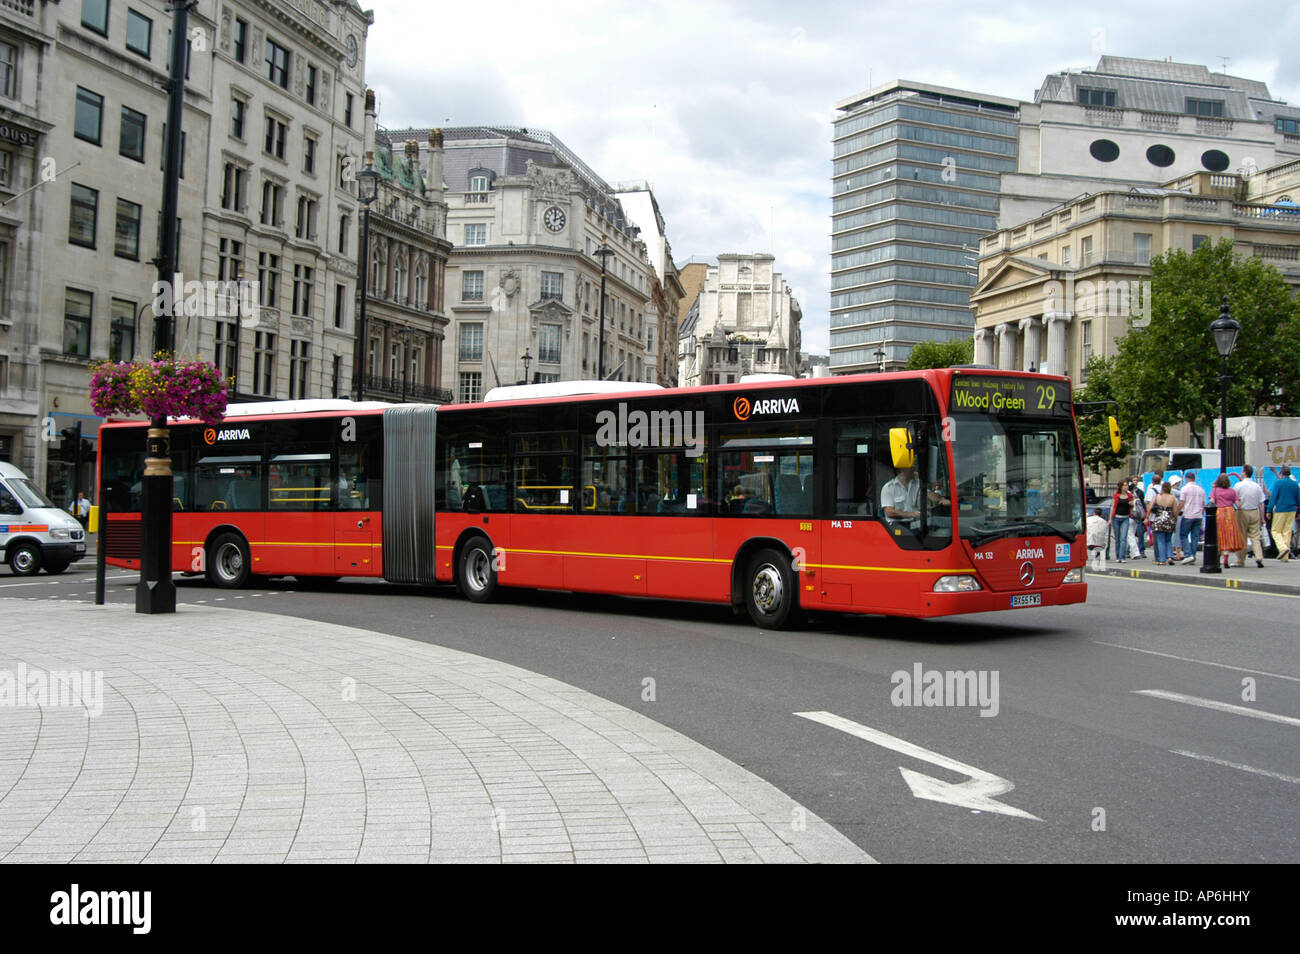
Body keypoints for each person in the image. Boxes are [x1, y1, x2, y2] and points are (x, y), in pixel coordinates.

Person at [1234, 465, 1267, 567]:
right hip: (1254, 511)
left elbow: (1235, 500)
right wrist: (1263, 518)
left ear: (1244, 472)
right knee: (1255, 536)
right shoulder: (1257, 486)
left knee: (1241, 537)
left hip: (1242, 512)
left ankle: (1241, 560)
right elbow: (1261, 504)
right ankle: (1259, 556)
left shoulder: (1238, 485)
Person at [1211, 474, 1246, 567]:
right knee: (1229, 535)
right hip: (1230, 513)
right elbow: (1238, 505)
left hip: (1220, 512)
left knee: (1220, 534)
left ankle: (1219, 557)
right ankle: (1226, 556)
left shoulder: (1215, 490)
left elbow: (1212, 502)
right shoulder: (1232, 491)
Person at [1267, 465, 1298, 563]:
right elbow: (1298, 499)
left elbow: (1274, 498)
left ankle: (1283, 548)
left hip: (1281, 509)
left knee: (1275, 531)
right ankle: (1285, 556)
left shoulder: (1278, 483)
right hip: (1292, 509)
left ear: (1282, 473)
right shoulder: (1295, 484)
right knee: (1287, 531)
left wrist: (1269, 510)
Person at [1177, 470, 1206, 565]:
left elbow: (1181, 503)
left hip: (1188, 515)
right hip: (1198, 515)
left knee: (1183, 535)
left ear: (1186, 479)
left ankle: (1188, 554)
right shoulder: (1201, 489)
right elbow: (1204, 504)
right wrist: (1202, 514)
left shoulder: (1184, 489)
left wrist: (1176, 512)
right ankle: (1193, 555)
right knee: (1195, 537)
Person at [1149, 481, 1179, 565]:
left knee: (1160, 540)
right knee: (1168, 540)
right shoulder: (1172, 498)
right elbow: (1175, 511)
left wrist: (1147, 517)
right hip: (1170, 520)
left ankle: (1162, 559)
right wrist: (1175, 519)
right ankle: (1169, 556)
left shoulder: (1157, 496)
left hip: (1159, 519)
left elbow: (1150, 507)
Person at [1107, 479, 1134, 563]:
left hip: (1125, 518)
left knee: (1123, 538)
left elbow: (1132, 507)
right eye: (1124, 485)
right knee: (1118, 538)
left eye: (1127, 485)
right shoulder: (1116, 495)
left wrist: (1131, 505)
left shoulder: (1129, 495)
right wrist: (1110, 519)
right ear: (1121, 487)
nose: (1126, 487)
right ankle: (1118, 556)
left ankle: (1122, 557)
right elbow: (1113, 507)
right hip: (1116, 518)